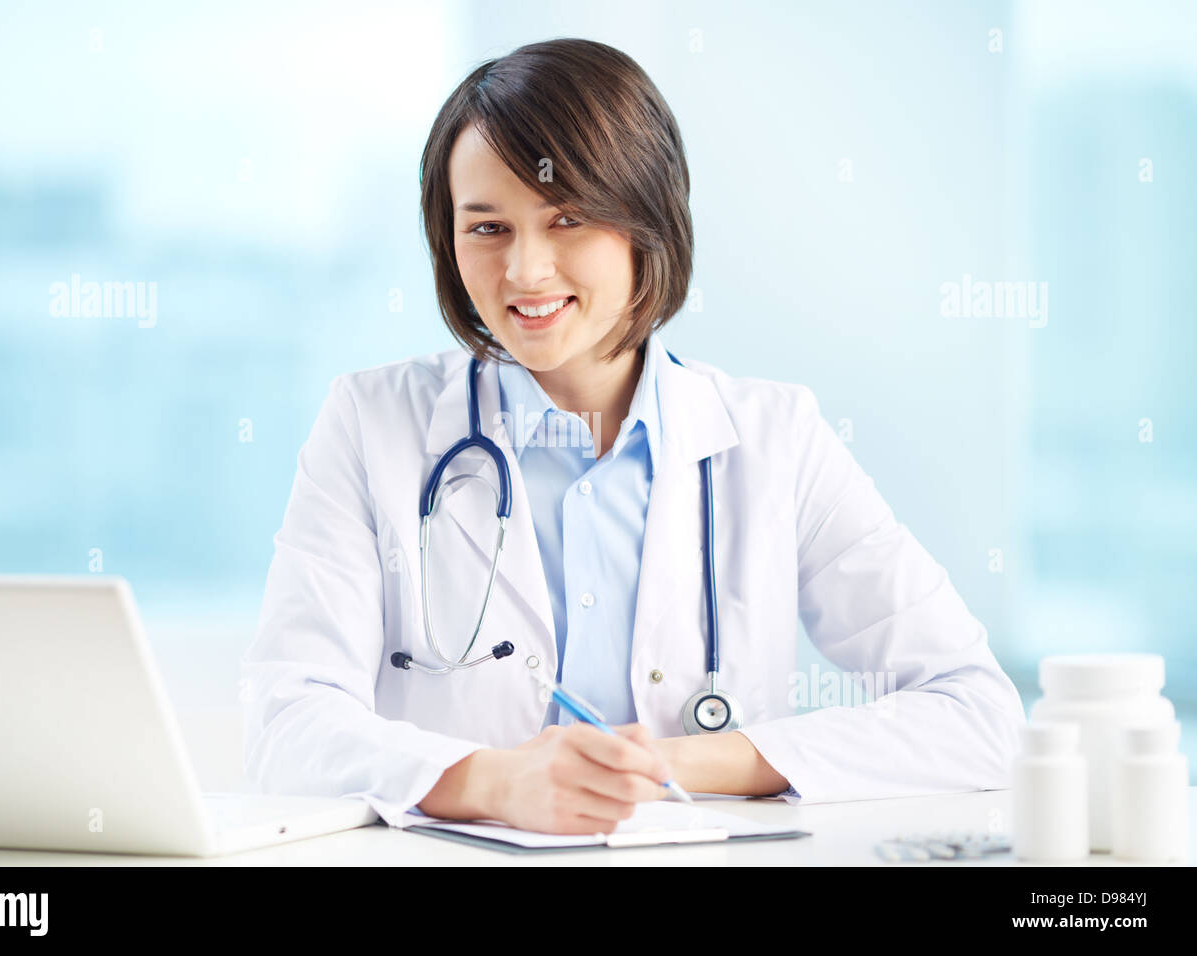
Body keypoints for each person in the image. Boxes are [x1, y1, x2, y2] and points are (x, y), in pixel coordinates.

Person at [241, 37, 1026, 836]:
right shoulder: (372, 424)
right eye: (487, 229)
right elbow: (287, 724)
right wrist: (497, 783)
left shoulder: (774, 438)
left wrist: (665, 768)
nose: (525, 271)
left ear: (646, 222)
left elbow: (976, 714)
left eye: (568, 218)